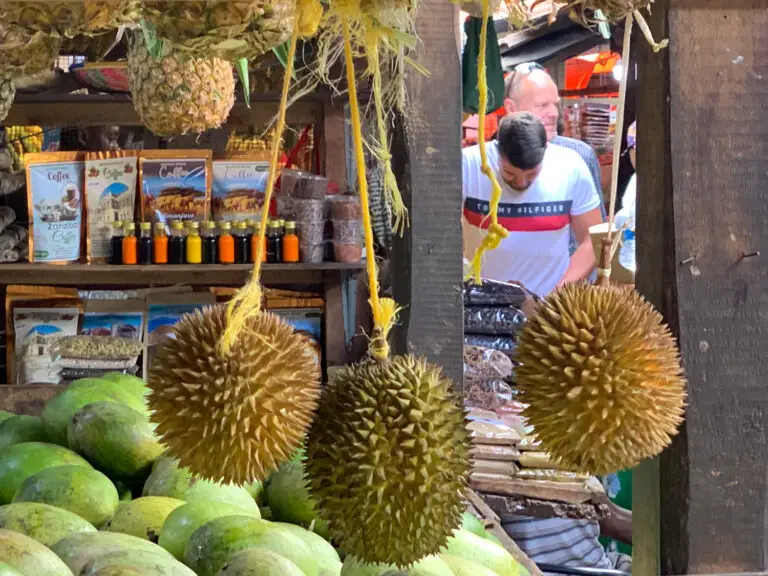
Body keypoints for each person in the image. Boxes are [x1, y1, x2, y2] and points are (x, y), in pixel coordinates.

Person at [462, 112, 602, 296]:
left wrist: (556, 297)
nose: (521, 183)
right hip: (480, 299)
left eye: (531, 175)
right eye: (510, 174)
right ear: (497, 150)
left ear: (546, 149)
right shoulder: (468, 164)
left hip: (548, 305)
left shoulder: (571, 167)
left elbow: (593, 240)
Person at [502, 63, 607, 255]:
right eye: (542, 105)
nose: (553, 113)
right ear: (511, 107)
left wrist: (570, 281)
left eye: (555, 104)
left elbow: (593, 239)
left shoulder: (579, 157)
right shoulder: (480, 159)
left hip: (565, 281)